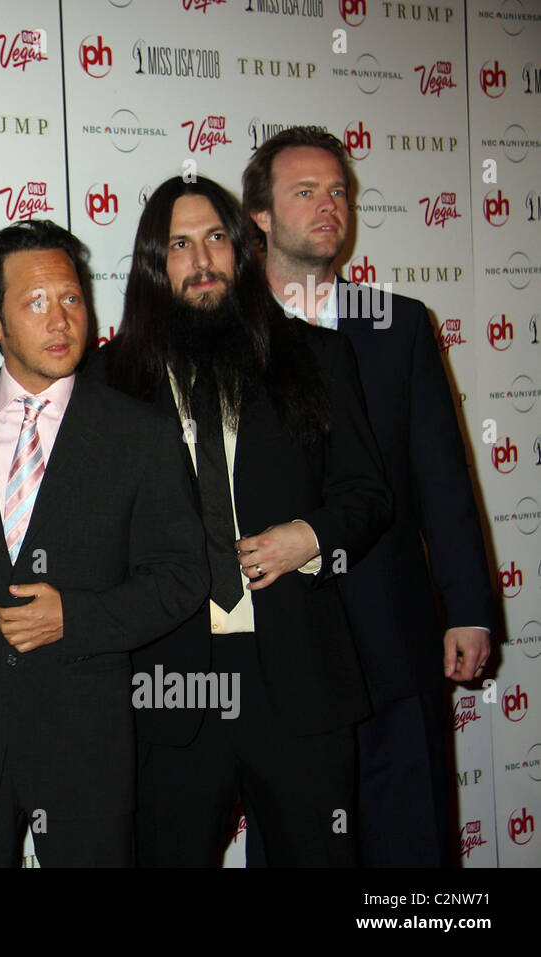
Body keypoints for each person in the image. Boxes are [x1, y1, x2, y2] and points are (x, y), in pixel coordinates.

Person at [92, 175, 392, 866]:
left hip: (297, 679)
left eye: (216, 239)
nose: (201, 261)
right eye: (178, 245)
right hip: (167, 690)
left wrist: (308, 538)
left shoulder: (314, 357)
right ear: (153, 265)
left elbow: (367, 493)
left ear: (242, 251)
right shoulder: (110, 381)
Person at [0, 220, 208, 867]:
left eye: (72, 298)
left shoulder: (140, 433)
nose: (62, 320)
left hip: (85, 750)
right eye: (37, 302)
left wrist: (75, 617)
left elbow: (184, 576)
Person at [244, 127, 495, 867]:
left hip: (395, 633)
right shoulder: (224, 335)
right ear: (260, 215)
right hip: (281, 642)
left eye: (338, 192)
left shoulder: (400, 326)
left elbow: (442, 480)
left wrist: (472, 607)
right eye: (304, 192)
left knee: (410, 843)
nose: (329, 207)